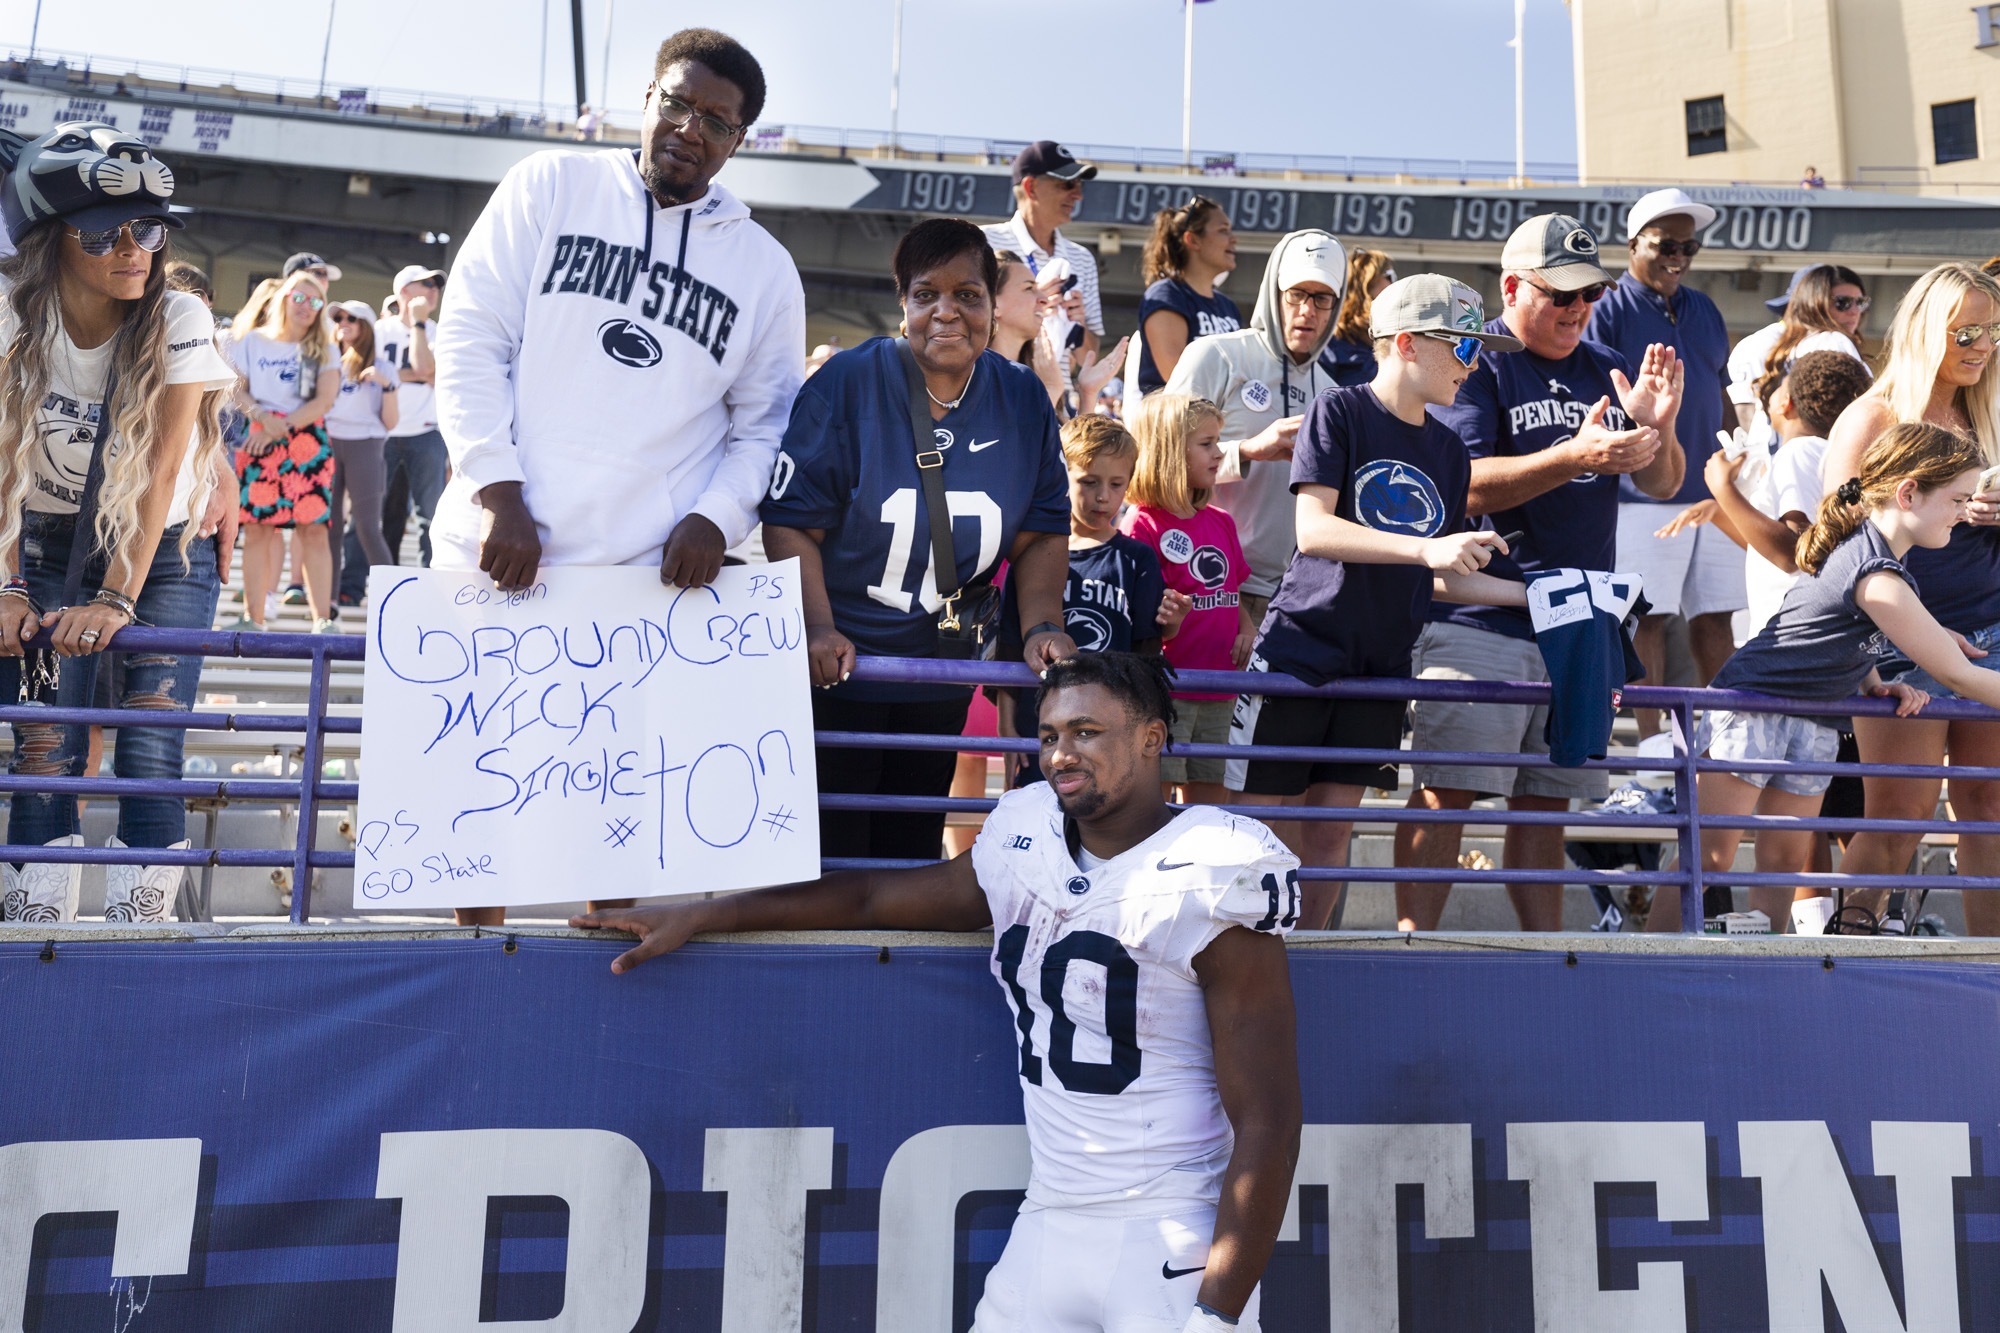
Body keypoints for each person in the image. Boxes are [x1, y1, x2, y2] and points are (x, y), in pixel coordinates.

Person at [573, 651, 1303, 1333]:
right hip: (1050, 1220)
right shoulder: (1026, 837)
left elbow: (1269, 1118)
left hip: (1170, 1232)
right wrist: (704, 913)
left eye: (1086, 732)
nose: (1061, 754)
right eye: (1048, 735)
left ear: (1150, 738)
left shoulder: (1215, 868)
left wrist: (1217, 1313)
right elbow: (870, 898)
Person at [435, 27, 807, 924]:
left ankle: (602, 980)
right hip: (499, 549)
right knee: (477, 815)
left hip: (643, 579)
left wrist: (717, 516)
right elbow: (471, 337)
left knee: (617, 818)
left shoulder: (765, 268)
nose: (689, 128)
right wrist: (498, 490)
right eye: (676, 103)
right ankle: (472, 979)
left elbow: (765, 424)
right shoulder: (550, 185)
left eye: (715, 120)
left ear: (739, 140)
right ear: (646, 99)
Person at [1394, 214, 1684, 934]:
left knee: (1547, 806)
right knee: (1447, 794)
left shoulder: (1605, 362)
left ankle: (1547, 955)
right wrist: (1573, 456)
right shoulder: (1478, 360)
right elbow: (1460, 483)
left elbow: (1662, 482)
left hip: (1579, 622)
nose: (1577, 308)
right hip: (1479, 615)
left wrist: (1659, 428)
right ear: (1512, 288)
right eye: (1560, 294)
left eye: (1589, 293)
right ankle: (1408, 949)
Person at [761, 217, 1075, 861]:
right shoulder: (846, 384)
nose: (947, 311)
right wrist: (817, 626)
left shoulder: (1021, 398)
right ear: (902, 302)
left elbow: (1042, 530)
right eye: (927, 294)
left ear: (992, 306)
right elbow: (791, 522)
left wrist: (1043, 623)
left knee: (910, 851)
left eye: (968, 294)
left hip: (940, 672)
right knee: (833, 859)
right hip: (841, 673)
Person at [1227, 275, 1531, 929]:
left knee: (1331, 834)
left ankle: (1305, 963)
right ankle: (1242, 959)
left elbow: (1440, 574)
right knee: (1261, 824)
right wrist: (1427, 550)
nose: (1473, 365)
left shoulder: (1449, 450)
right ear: (1407, 343)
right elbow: (1315, 531)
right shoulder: (1338, 411)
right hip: (1301, 649)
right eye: (1464, 347)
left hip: (1382, 663)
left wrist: (1534, 596)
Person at [0, 120, 235, 923]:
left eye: (149, 229)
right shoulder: (12, 312)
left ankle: (143, 942)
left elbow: (163, 472)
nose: (134, 249)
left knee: (148, 744)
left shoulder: (180, 314)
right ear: (51, 241)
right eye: (105, 232)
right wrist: (6, 584)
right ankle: (38, 939)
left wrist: (115, 598)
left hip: (161, 553)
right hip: (45, 541)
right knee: (45, 743)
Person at [1649, 423, 2000, 931]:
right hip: (1752, 705)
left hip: (1817, 718)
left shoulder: (1884, 562)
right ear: (1908, 494)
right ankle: (1644, 957)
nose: (1965, 513)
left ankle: (1765, 964)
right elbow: (1959, 675)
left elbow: (1846, 629)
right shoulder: (1875, 571)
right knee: (1709, 857)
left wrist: (1871, 682)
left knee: (1783, 862)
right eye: (1957, 500)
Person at [1818, 262, 2000, 934]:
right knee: (1900, 814)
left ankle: (1989, 970)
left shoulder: (1989, 408)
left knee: (1989, 810)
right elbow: (1833, 542)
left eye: (1994, 331)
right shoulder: (1873, 417)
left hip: (1989, 628)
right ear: (1926, 331)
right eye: (1967, 332)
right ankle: (1849, 960)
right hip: (1897, 638)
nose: (1984, 345)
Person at [1588, 188, 1738, 725]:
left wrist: (1733, 461)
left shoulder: (1705, 308)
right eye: (1665, 245)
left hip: (1711, 496)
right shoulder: (1605, 306)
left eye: (1688, 246)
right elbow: (1593, 398)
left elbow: (1721, 394)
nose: (1679, 256)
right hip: (1639, 494)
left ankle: (1723, 741)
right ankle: (1652, 750)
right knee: (1646, 620)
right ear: (1634, 244)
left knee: (1716, 618)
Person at [1164, 230, 1346, 630]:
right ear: (1273, 292)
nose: (1308, 310)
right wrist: (1245, 451)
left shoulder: (1332, 394)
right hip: (1202, 587)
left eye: (1322, 298)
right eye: (1296, 294)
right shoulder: (1216, 356)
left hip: (1292, 599)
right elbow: (1155, 463)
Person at [996, 415, 1187, 785]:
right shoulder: (1030, 555)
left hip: (1110, 729)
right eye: (1088, 481)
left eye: (1116, 484)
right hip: (1039, 725)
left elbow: (1147, 654)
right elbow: (1008, 648)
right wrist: (1006, 729)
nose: (1103, 496)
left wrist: (1172, 625)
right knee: (1035, 809)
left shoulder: (1138, 559)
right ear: (1060, 477)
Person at [1122, 394, 1251, 808]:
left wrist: (1248, 627)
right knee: (1155, 803)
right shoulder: (1142, 524)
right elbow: (1142, 619)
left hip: (1223, 688)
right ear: (1169, 453)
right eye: (1207, 444)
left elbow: (1232, 590)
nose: (1220, 454)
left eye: (1218, 442)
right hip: (1167, 690)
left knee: (1210, 808)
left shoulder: (1221, 521)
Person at [1706, 350, 1876, 639]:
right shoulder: (1829, 455)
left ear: (1786, 402)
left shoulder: (1798, 452)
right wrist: (1719, 512)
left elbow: (1793, 554)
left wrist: (1724, 489)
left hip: (1789, 630)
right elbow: (1778, 547)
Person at [224, 270, 341, 632]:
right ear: (284, 299)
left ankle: (323, 620)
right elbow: (236, 389)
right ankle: (253, 617)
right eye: (299, 298)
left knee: (314, 530)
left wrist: (280, 428)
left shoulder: (324, 347)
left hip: (306, 440)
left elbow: (324, 400)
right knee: (258, 529)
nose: (306, 306)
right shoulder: (252, 341)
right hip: (260, 435)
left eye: (315, 301)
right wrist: (262, 418)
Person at [981, 142, 1103, 385]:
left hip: (1056, 401)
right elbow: (964, 326)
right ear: (1031, 187)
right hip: (994, 389)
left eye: (1079, 185)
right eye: (1067, 184)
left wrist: (1077, 322)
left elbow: (1088, 356)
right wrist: (1031, 303)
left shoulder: (1082, 258)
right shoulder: (982, 243)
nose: (1078, 195)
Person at [1721, 264, 1868, 445]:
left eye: (1860, 302)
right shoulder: (1834, 341)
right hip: (1815, 454)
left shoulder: (1752, 344)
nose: (1855, 311)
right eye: (1842, 302)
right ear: (1812, 302)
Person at [365, 264, 444, 587]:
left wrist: (419, 324)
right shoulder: (378, 331)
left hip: (426, 431)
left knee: (430, 516)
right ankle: (366, 583)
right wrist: (419, 374)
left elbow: (427, 370)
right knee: (378, 513)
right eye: (425, 284)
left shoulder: (439, 330)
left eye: (435, 285)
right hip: (382, 431)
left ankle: (431, 584)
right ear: (404, 292)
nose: (433, 290)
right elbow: (364, 371)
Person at [321, 299, 397, 603]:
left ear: (365, 325)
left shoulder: (383, 366)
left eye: (350, 318)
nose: (343, 323)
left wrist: (386, 385)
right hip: (327, 442)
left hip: (366, 444)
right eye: (338, 318)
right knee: (329, 526)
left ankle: (395, 600)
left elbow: (391, 422)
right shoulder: (326, 361)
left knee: (367, 527)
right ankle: (326, 602)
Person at [991, 249, 1125, 418]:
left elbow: (1067, 437)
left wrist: (1088, 393)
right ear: (994, 304)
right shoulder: (976, 375)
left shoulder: (1038, 371)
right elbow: (1014, 433)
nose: (1043, 298)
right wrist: (1050, 391)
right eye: (1029, 288)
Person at [1135, 195, 1239, 394]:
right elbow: (1179, 380)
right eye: (1223, 230)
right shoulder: (1167, 296)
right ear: (1193, 240)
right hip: (1180, 413)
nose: (1234, 239)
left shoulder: (1228, 306)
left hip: (1219, 411)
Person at [1319, 248, 1395, 387]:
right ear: (1367, 282)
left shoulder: (1389, 339)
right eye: (1390, 275)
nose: (1394, 284)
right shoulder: (1329, 345)